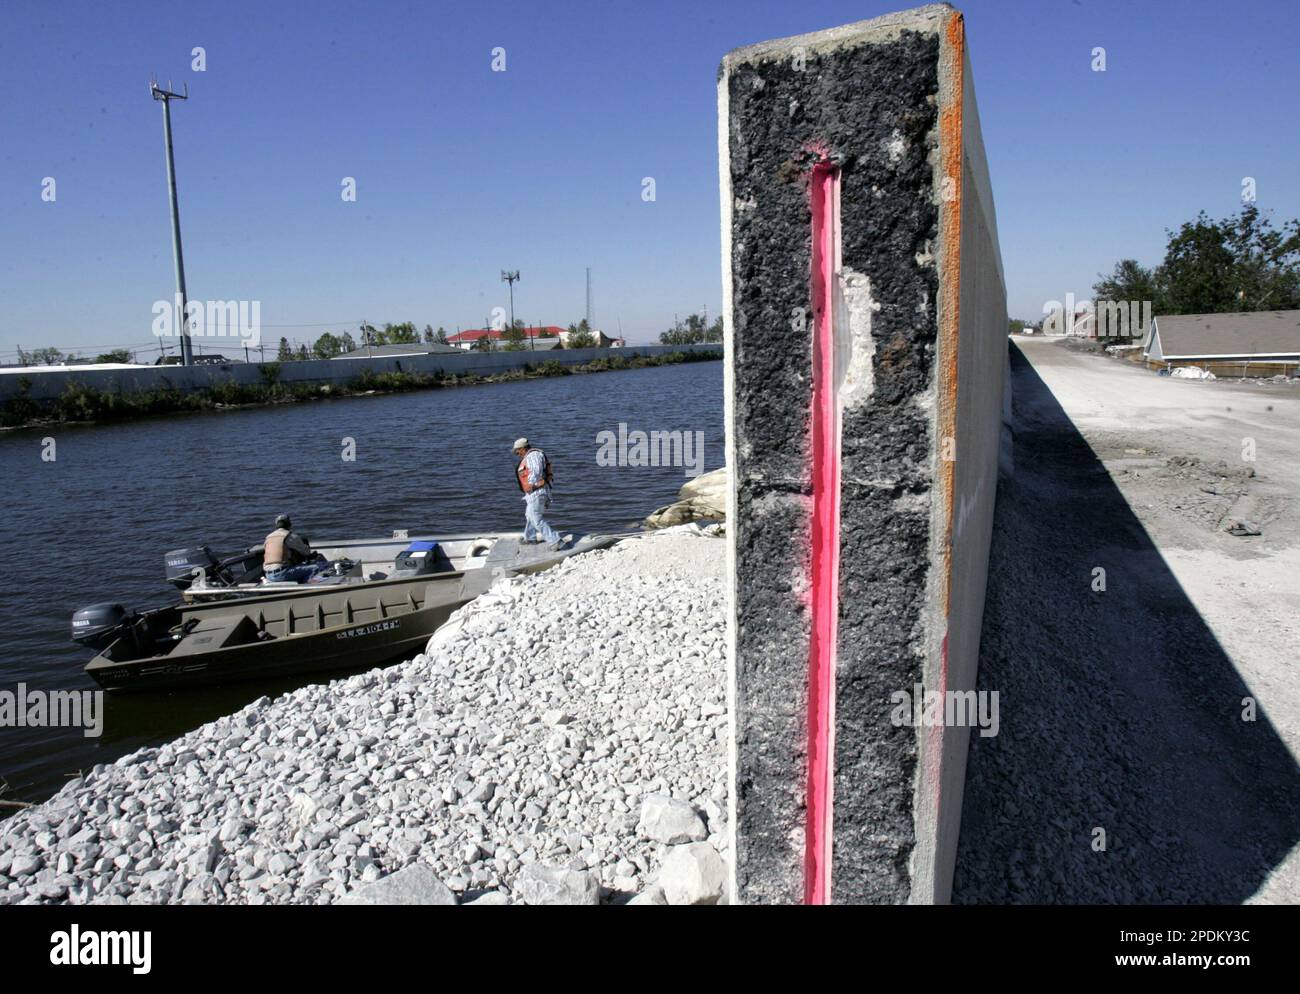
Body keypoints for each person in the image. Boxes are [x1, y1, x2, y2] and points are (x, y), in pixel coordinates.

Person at [513, 437, 566, 550]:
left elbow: (536, 471)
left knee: (536, 518)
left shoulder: (533, 456)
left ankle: (555, 541)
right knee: (530, 515)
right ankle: (530, 538)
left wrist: (532, 486)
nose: (517, 453)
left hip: (537, 492)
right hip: (534, 493)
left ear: (523, 448)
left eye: (517, 451)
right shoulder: (530, 456)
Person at [262, 513, 326, 583]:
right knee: (315, 568)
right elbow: (307, 552)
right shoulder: (290, 536)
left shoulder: (268, 537)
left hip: (268, 575)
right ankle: (306, 584)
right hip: (282, 574)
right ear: (289, 524)